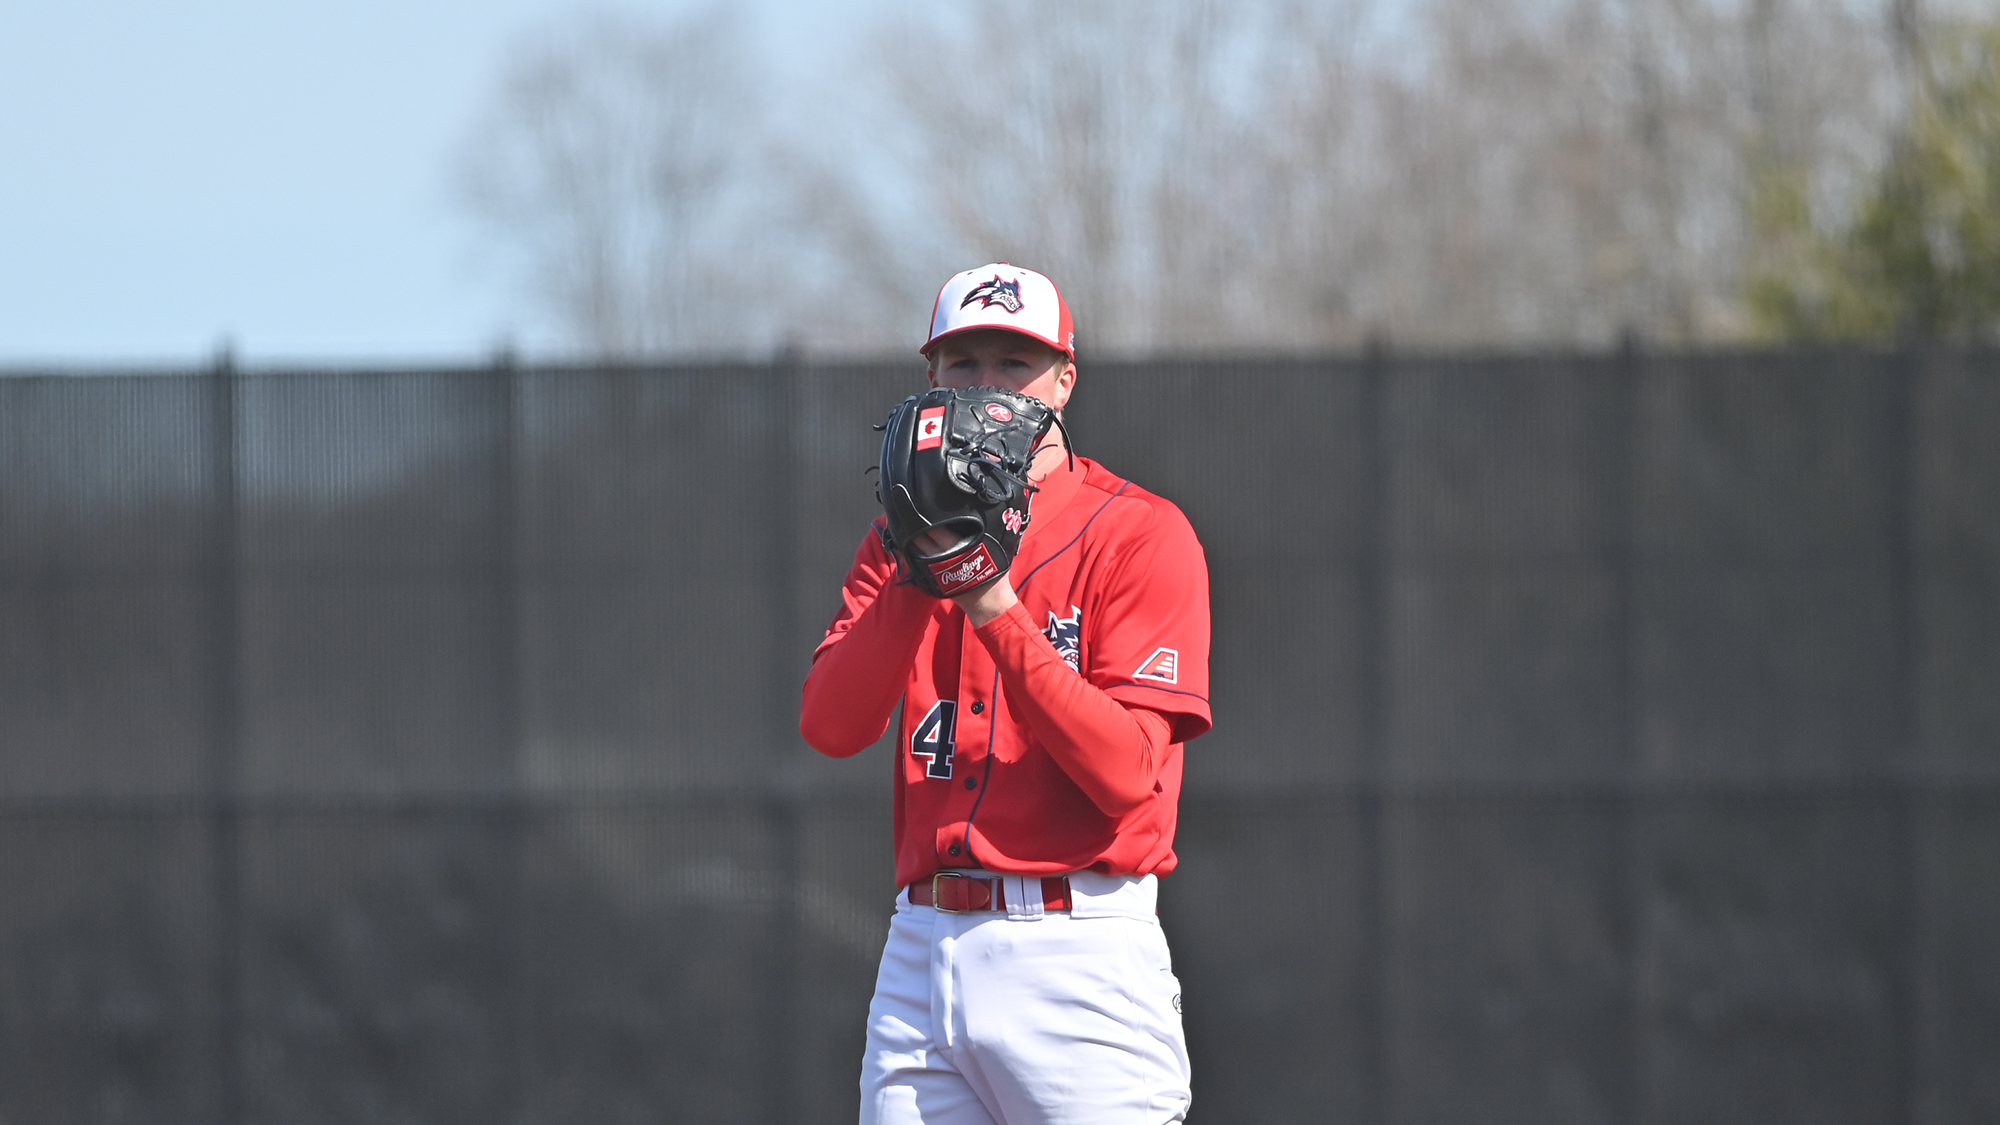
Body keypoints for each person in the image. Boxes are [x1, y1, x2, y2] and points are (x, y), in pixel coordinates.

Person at [799, 263, 1212, 1125]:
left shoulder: (1137, 533)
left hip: (1076, 949)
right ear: (931, 379)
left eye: (1014, 363)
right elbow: (832, 726)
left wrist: (989, 599)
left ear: (1065, 378)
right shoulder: (898, 539)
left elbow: (1128, 774)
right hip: (923, 945)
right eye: (966, 363)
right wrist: (922, 569)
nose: (988, 387)